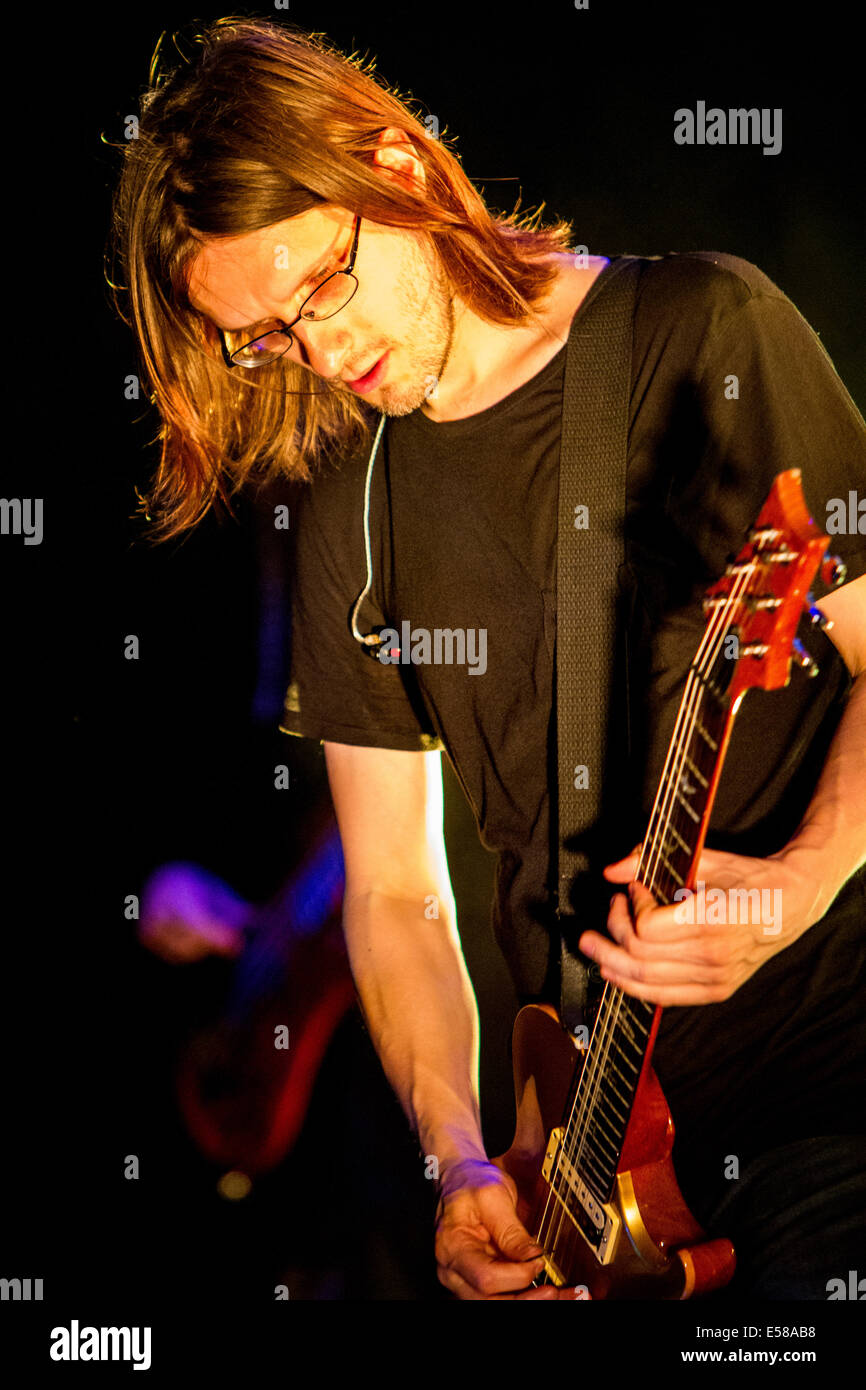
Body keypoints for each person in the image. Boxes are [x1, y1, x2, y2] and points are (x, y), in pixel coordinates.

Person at [109, 17, 866, 1300]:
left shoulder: (697, 331)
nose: (319, 351)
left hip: (823, 1094)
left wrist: (792, 882)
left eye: (321, 286)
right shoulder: (348, 502)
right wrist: (459, 1159)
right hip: (587, 1164)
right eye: (268, 336)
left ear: (394, 166)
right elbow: (394, 890)